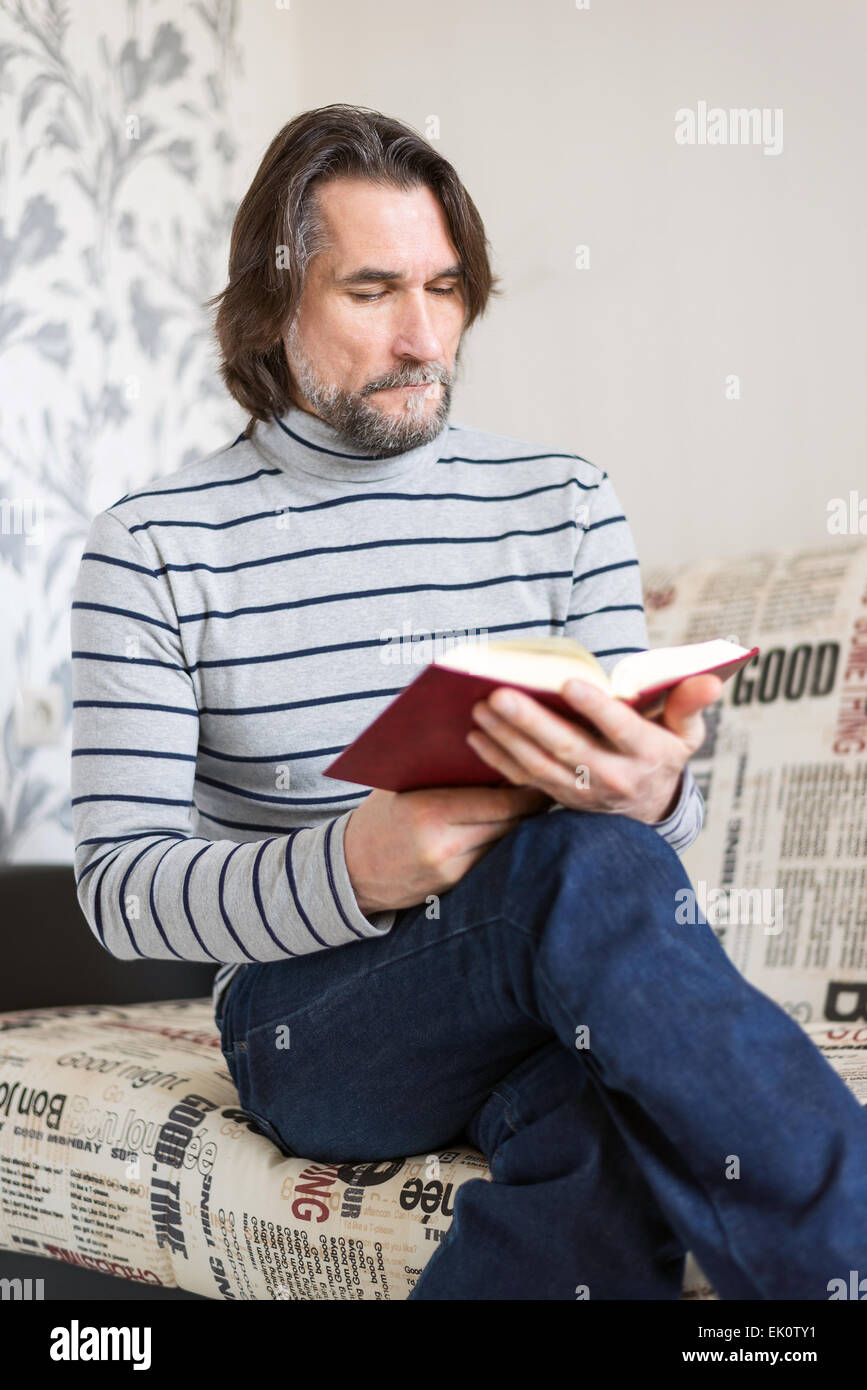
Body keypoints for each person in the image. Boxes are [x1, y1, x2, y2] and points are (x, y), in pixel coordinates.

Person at [70, 104, 867, 1300]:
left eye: (446, 288)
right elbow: (119, 890)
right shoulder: (152, 546)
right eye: (374, 289)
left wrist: (657, 790)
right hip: (318, 1019)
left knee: (594, 1130)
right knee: (581, 874)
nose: (423, 334)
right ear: (273, 305)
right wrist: (354, 864)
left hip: (550, 980)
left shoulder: (565, 501)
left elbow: (635, 818)